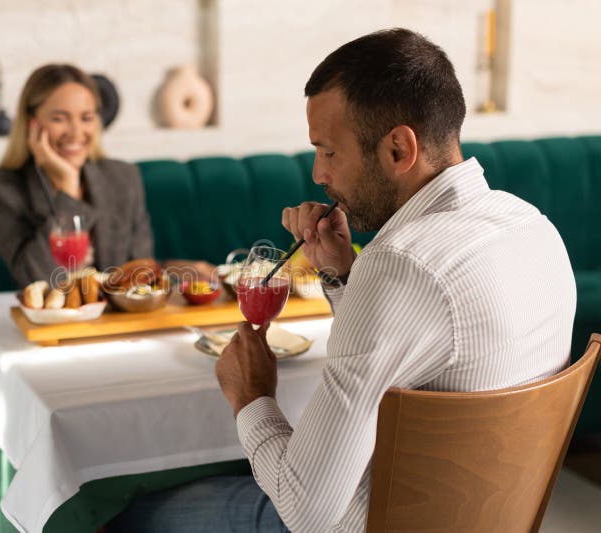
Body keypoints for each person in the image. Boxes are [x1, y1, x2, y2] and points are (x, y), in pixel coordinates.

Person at [106, 28, 576, 532]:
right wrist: (341, 275)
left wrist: (252, 398)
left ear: (398, 148)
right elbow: (420, 350)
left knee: (123, 512)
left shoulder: (399, 264)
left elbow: (305, 509)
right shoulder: (534, 226)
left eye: (328, 151)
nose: (316, 174)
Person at [0, 63, 211, 287]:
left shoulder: (122, 178)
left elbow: (135, 272)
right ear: (32, 125)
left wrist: (178, 269)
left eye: (86, 118)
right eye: (59, 118)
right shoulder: (2, 191)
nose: (76, 132)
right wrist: (68, 188)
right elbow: (38, 279)